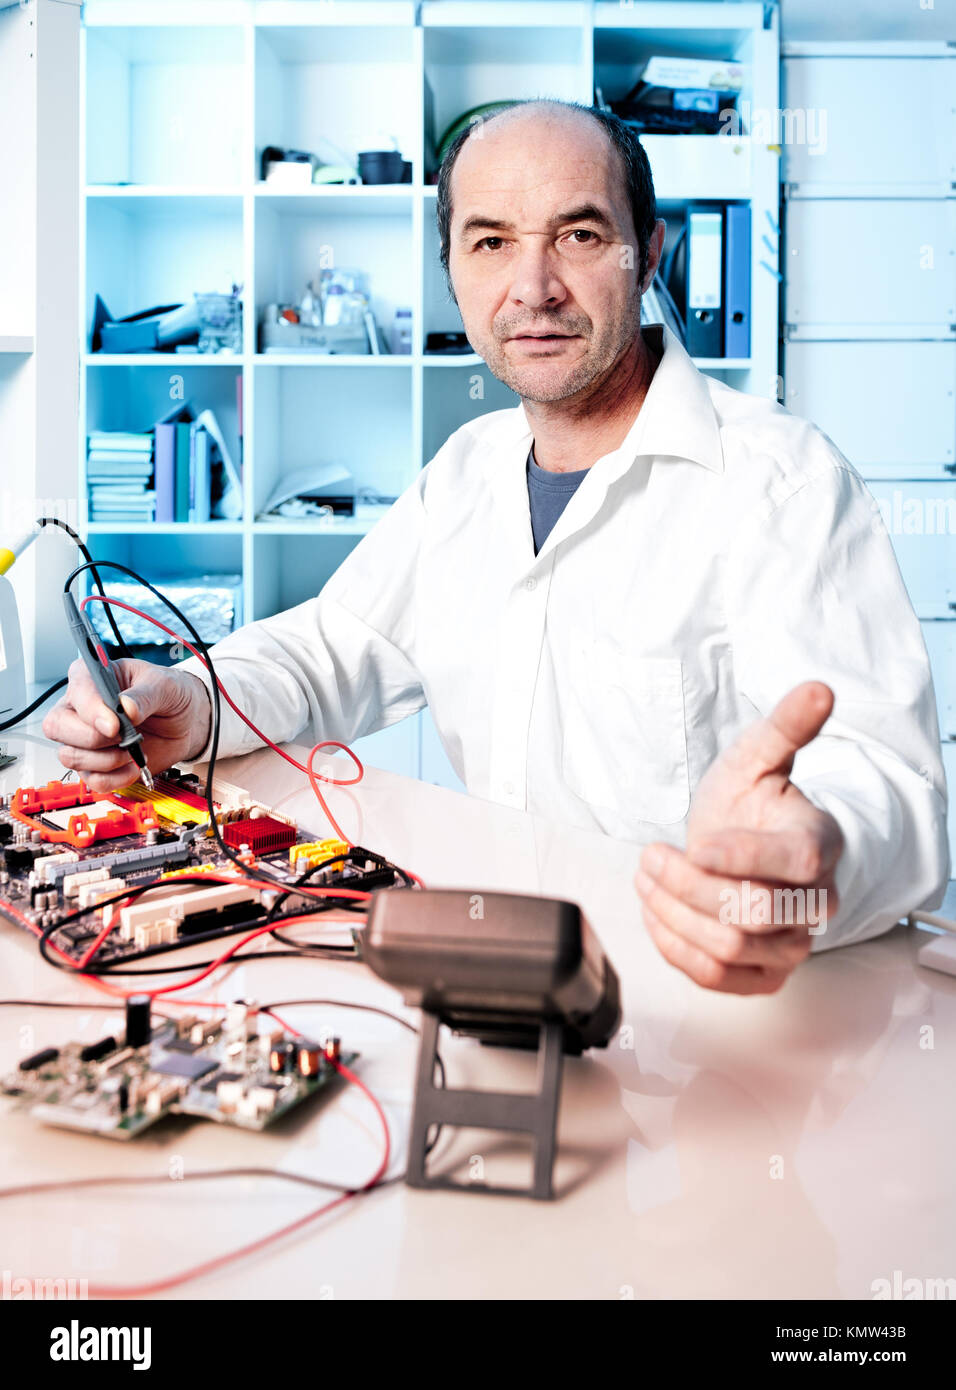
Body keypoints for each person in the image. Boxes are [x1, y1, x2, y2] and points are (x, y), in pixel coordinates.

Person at [44, 101, 949, 994]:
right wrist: (192, 699)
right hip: (494, 984)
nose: (534, 287)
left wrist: (807, 859)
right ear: (452, 268)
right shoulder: (467, 472)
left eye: (581, 235)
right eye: (491, 242)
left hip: (704, 1019)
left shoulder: (781, 481)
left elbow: (889, 789)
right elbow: (332, 647)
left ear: (651, 251)